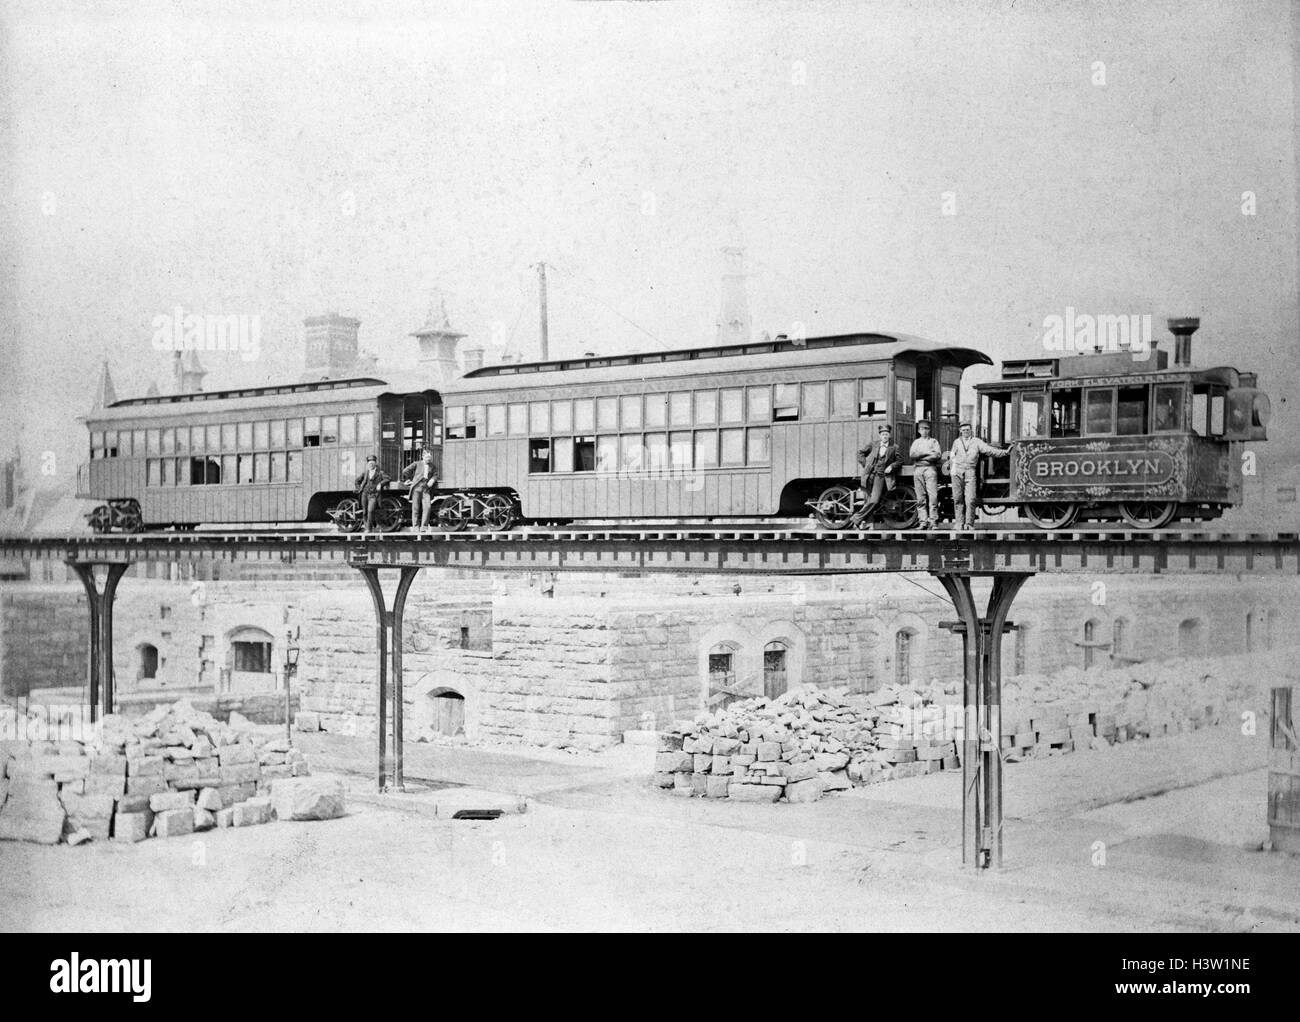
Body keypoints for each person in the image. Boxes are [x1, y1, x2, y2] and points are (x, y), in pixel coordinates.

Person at [949, 422, 1010, 530]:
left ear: (971, 430)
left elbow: (989, 450)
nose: (965, 432)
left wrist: (1005, 452)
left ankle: (969, 524)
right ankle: (959, 523)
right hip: (957, 473)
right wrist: (952, 472)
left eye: (967, 430)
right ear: (960, 431)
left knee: (971, 499)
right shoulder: (956, 442)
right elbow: (952, 457)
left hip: (970, 472)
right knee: (958, 499)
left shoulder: (976, 442)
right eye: (963, 430)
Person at [856, 425, 900, 524]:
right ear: (880, 435)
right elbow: (860, 453)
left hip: (880, 476)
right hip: (869, 475)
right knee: (868, 500)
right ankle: (868, 524)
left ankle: (856, 518)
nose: (885, 436)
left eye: (886, 434)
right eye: (883, 434)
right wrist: (866, 464)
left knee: (874, 500)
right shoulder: (873, 444)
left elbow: (899, 461)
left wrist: (891, 467)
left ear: (889, 435)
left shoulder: (894, 447)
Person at [909, 420, 942, 529]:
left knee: (933, 496)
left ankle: (933, 522)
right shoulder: (916, 442)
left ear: (929, 430)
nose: (924, 431)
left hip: (930, 469)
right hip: (918, 470)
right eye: (922, 429)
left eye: (927, 429)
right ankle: (923, 522)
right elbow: (912, 454)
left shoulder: (933, 442)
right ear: (919, 430)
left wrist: (921, 456)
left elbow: (937, 455)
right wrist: (928, 453)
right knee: (920, 498)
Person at [400, 448, 438, 532]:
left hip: (426, 489)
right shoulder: (417, 464)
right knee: (415, 508)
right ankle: (415, 527)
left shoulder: (432, 466)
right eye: (427, 457)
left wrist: (432, 480)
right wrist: (411, 480)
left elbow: (435, 475)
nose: (429, 459)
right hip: (416, 488)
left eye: (430, 457)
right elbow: (405, 471)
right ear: (423, 456)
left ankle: (424, 527)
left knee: (427, 507)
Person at [354, 454, 390, 532]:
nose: (371, 465)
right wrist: (359, 488)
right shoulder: (365, 472)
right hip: (364, 494)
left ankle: (369, 528)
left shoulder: (380, 472)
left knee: (370, 510)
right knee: (365, 512)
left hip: (374, 495)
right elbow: (357, 481)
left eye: (372, 463)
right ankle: (367, 527)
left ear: (375, 464)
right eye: (369, 463)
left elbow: (387, 478)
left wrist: (380, 484)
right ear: (367, 464)